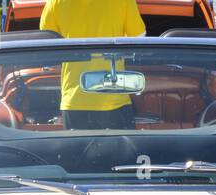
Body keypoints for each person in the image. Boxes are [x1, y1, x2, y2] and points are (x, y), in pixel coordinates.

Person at [39, 0, 146, 130]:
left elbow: (46, 46)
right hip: (114, 97)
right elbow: (139, 39)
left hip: (74, 100)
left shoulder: (56, 2)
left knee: (78, 150)